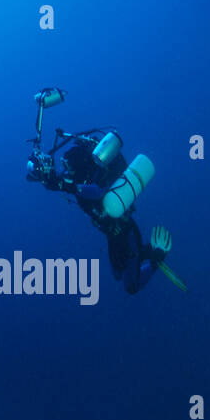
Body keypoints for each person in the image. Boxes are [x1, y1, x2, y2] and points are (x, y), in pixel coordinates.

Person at [25, 88, 183, 293]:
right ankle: (142, 254)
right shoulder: (74, 180)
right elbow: (63, 183)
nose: (65, 169)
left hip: (123, 228)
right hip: (111, 231)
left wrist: (64, 184)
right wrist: (50, 178)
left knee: (131, 286)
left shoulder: (83, 184)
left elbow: (96, 192)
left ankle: (155, 257)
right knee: (118, 273)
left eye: (68, 167)